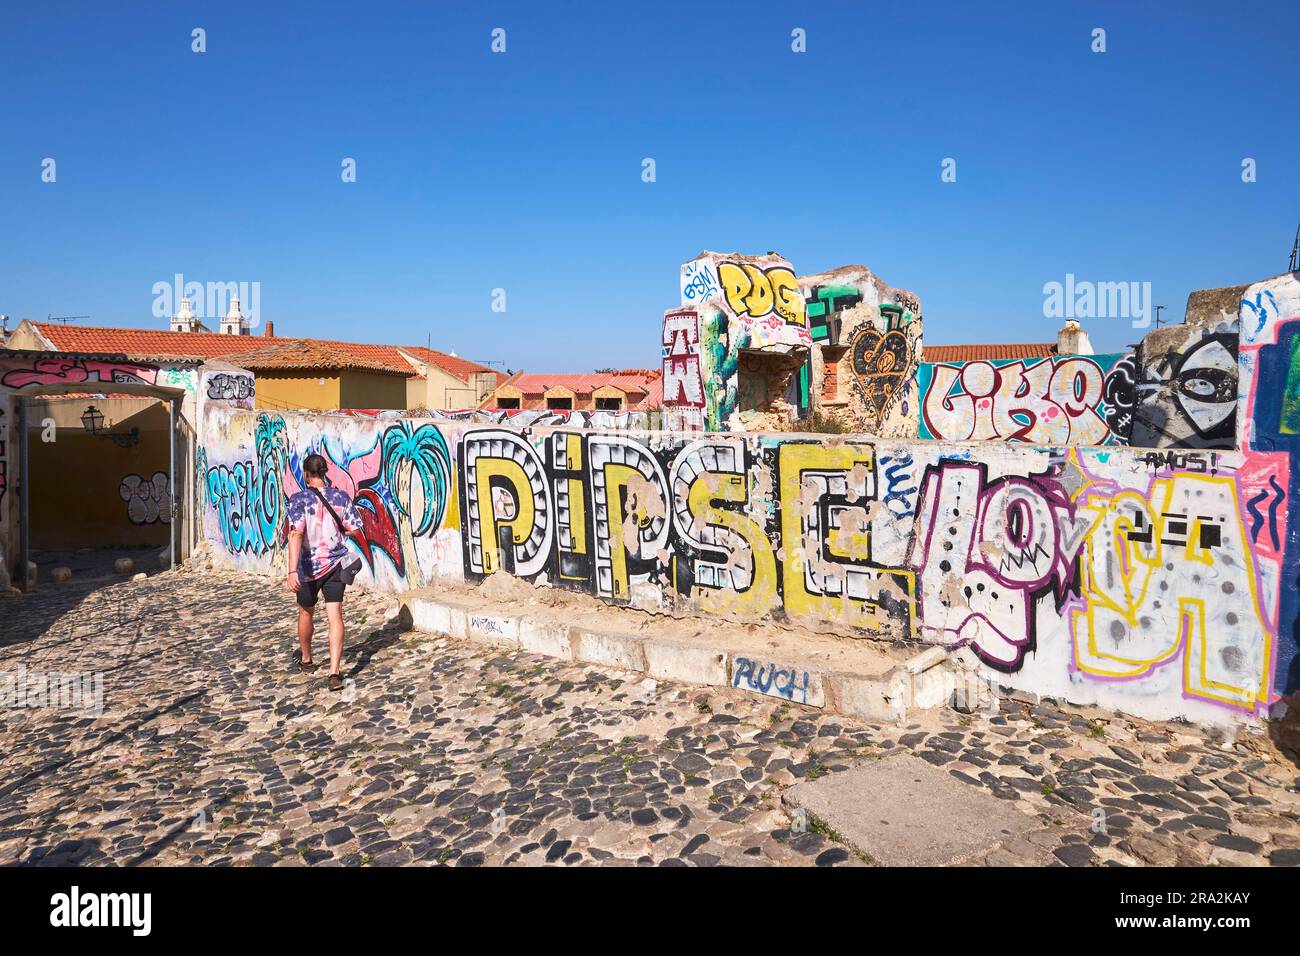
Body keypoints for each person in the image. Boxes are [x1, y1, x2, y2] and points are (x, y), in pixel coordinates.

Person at [285, 453, 364, 691]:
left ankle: (307, 660)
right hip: (334, 564)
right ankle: (334, 672)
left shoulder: (298, 500)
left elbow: (296, 534)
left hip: (308, 568)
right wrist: (335, 532)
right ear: (325, 473)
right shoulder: (340, 497)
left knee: (306, 613)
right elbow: (354, 529)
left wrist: (291, 570)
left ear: (306, 475)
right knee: (335, 615)